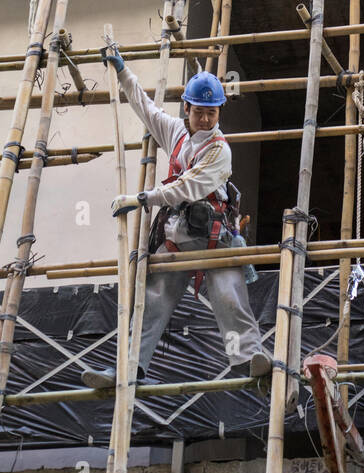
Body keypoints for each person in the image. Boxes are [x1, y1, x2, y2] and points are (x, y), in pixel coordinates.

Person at [81, 48, 272, 389]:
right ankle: (130, 368)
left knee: (229, 296)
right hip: (178, 235)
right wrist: (124, 72)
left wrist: (141, 198)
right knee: (152, 302)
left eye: (211, 114)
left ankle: (249, 358)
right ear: (187, 108)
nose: (205, 119)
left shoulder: (219, 150)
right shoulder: (177, 133)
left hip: (215, 235)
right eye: (199, 112)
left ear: (219, 113)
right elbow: (145, 108)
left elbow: (185, 188)